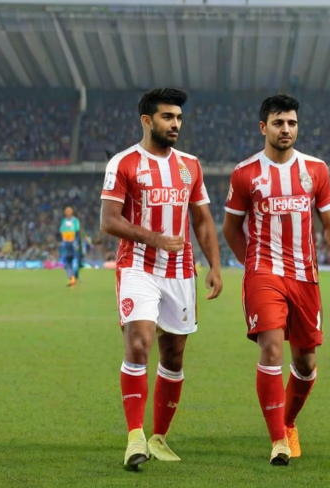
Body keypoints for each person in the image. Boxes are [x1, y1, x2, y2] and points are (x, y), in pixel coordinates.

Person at [222, 94, 330, 466]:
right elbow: (230, 228)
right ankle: (278, 439)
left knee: (306, 362)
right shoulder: (245, 173)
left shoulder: (316, 170)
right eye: (279, 123)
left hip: (305, 278)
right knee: (272, 349)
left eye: (292, 123)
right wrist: (252, 266)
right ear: (263, 127)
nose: (286, 129)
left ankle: (288, 422)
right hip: (264, 274)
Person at [99, 87, 223, 470]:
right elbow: (109, 221)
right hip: (138, 267)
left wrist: (215, 265)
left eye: (179, 118)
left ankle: (159, 437)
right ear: (146, 120)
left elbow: (202, 219)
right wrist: (154, 239)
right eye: (168, 117)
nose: (175, 124)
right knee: (139, 343)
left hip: (181, 272)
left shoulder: (190, 165)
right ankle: (135, 436)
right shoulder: (124, 163)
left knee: (173, 354)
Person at [59, 206, 81, 286]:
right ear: (65, 212)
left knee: (74, 259)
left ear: (72, 212)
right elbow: (61, 231)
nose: (68, 212)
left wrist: (75, 241)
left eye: (69, 211)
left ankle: (74, 276)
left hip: (73, 243)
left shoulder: (75, 221)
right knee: (67, 261)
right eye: (67, 211)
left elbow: (77, 231)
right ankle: (72, 277)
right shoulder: (64, 221)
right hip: (66, 244)